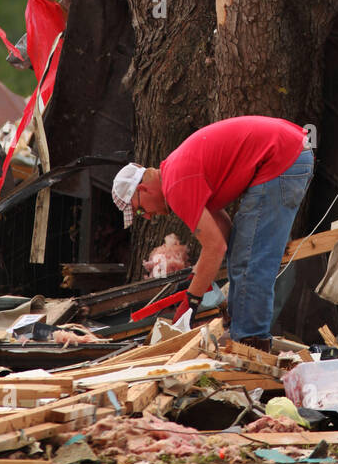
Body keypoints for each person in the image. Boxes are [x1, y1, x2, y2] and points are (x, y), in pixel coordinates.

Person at [111, 115, 314, 350]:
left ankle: (250, 345)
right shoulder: (177, 172)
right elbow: (226, 236)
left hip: (283, 156)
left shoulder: (176, 186)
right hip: (291, 148)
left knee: (252, 260)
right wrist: (209, 279)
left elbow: (216, 247)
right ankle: (243, 331)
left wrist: (191, 300)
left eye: (139, 211)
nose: (147, 216)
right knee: (244, 253)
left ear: (143, 189)